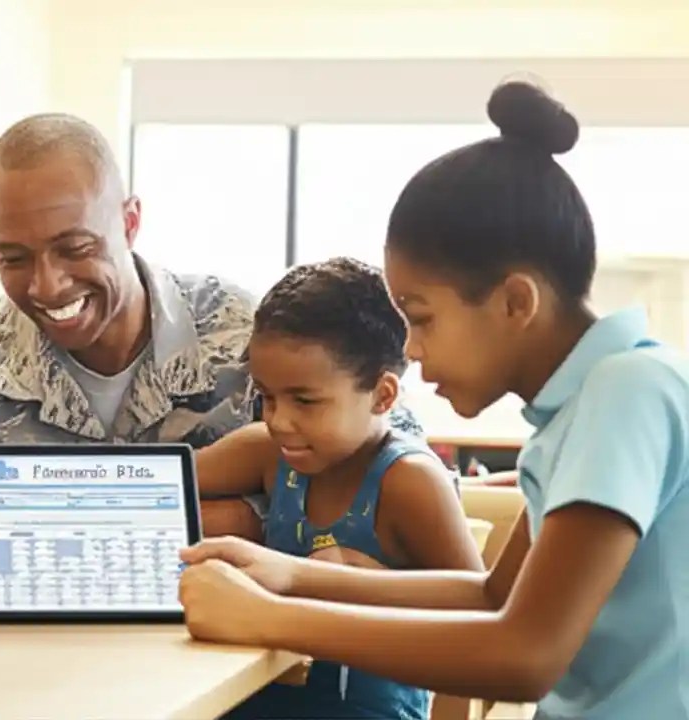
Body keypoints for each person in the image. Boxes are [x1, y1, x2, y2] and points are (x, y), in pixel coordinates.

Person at [178, 82, 689, 720]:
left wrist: (275, 618)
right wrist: (288, 574)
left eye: (421, 319)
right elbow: (493, 596)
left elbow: (527, 654)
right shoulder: (584, 407)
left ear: (515, 303)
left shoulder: (628, 392)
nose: (412, 351)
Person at [0, 113, 425, 603]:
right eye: (14, 259)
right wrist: (211, 524)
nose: (47, 287)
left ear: (129, 223)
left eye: (75, 248)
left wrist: (8, 533)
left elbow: (386, 449)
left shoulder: (246, 336)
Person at [195, 257, 481, 719]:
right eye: (266, 396)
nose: (278, 420)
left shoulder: (408, 482)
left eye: (305, 401)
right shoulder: (268, 453)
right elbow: (156, 484)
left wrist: (363, 580)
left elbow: (479, 619)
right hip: (255, 701)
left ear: (383, 396)